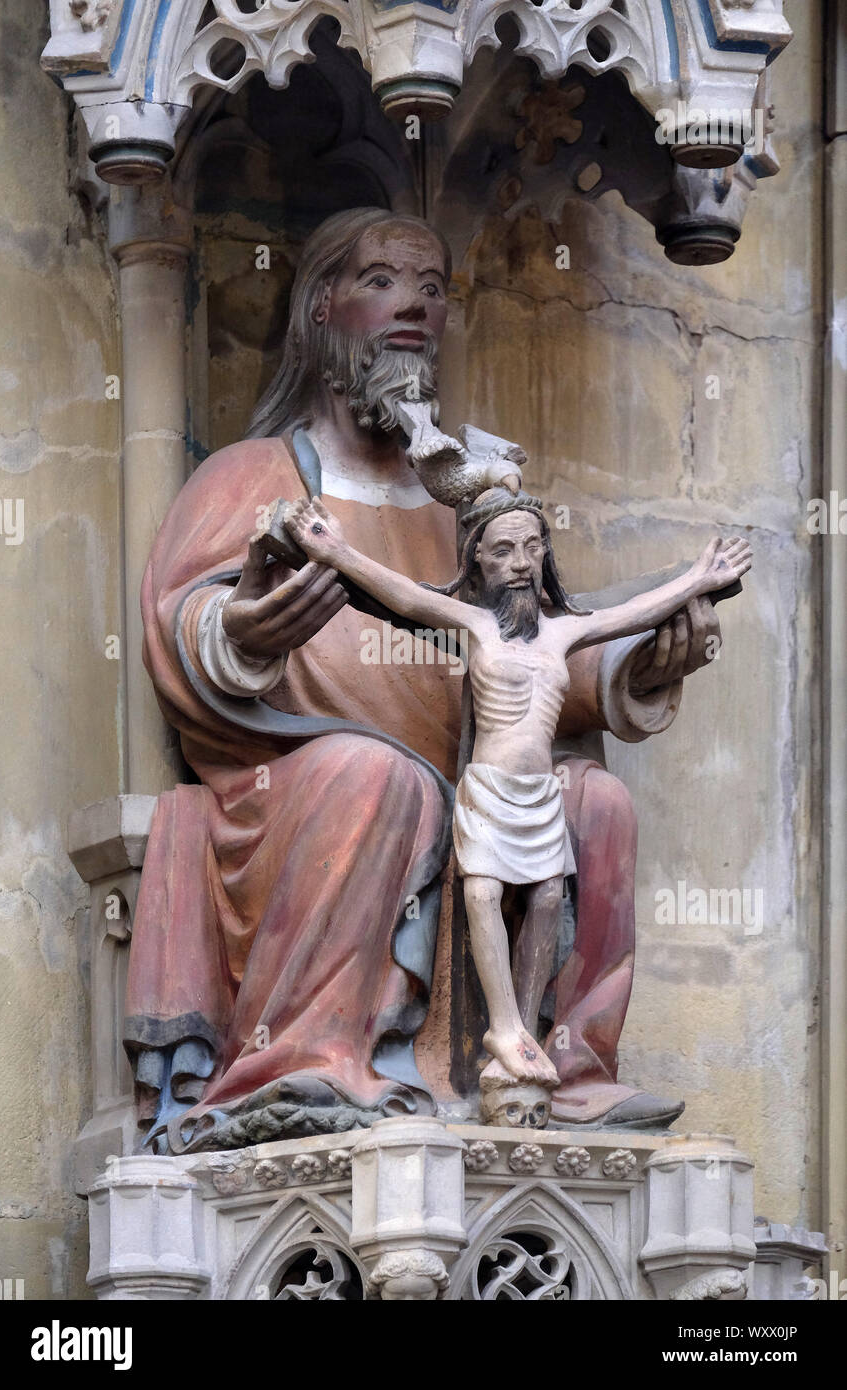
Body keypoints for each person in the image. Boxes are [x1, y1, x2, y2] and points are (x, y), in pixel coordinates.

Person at [125, 206, 729, 1152]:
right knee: (380, 780)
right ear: (321, 309)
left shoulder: (473, 505)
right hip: (302, 799)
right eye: (381, 281)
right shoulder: (257, 475)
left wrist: (638, 657)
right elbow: (184, 620)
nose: (414, 306)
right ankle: (312, 1058)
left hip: (475, 782)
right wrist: (242, 630)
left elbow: (527, 652)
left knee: (597, 804)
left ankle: (558, 1061)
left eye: (434, 287)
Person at [283, 493, 751, 1096]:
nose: (521, 562)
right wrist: (335, 549)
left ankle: (525, 1028)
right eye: (503, 550)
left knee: (550, 899)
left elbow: (635, 612)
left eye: (532, 547)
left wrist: (698, 579)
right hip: (490, 788)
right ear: (478, 560)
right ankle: (501, 1028)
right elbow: (405, 596)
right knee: (482, 894)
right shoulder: (476, 626)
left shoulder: (561, 634)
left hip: (540, 793)